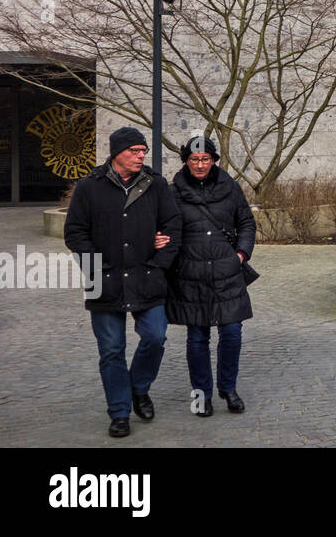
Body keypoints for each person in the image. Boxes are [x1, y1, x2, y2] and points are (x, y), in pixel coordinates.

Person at [64, 126, 182, 439]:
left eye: (143, 151)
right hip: (104, 280)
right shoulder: (89, 186)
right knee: (112, 350)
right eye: (134, 151)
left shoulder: (155, 184)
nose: (141, 156)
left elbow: (173, 224)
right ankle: (119, 413)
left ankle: (139, 388)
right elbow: (74, 232)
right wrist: (95, 266)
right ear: (117, 153)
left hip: (147, 275)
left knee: (156, 337)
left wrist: (161, 260)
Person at [165, 135, 256, 417]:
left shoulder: (230, 187)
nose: (200, 164)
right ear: (185, 161)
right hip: (190, 275)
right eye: (194, 159)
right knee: (197, 337)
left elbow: (246, 223)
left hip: (226, 273)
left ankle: (228, 389)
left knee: (231, 333)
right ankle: (201, 395)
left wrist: (240, 255)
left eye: (206, 159)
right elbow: (163, 226)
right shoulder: (173, 192)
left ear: (214, 160)